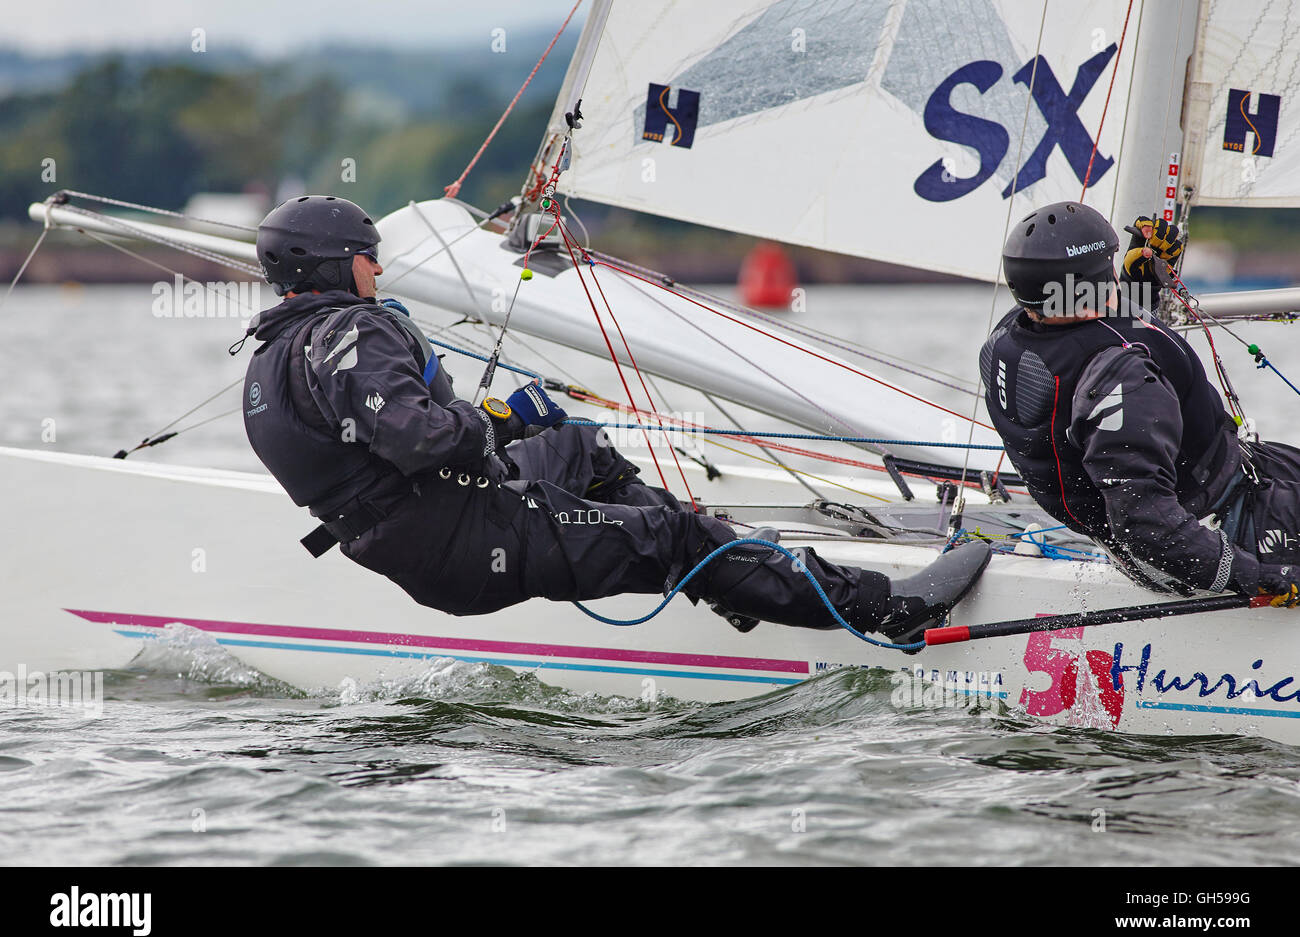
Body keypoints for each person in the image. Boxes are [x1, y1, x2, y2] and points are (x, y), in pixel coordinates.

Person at [237, 195, 991, 643]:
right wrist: (497, 420)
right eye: (367, 257)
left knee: (573, 445)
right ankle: (888, 610)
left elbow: (393, 446)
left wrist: (510, 428)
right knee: (678, 534)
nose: (377, 269)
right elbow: (425, 439)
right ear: (335, 266)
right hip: (465, 538)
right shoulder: (352, 335)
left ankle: (730, 576)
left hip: (425, 533)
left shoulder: (268, 359)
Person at [980, 199, 1300, 606]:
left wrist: (1140, 284)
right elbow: (1146, 526)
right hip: (1215, 525)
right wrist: (1256, 577)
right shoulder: (1122, 380)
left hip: (1225, 484)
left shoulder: (1013, 331)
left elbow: (1089, 332)